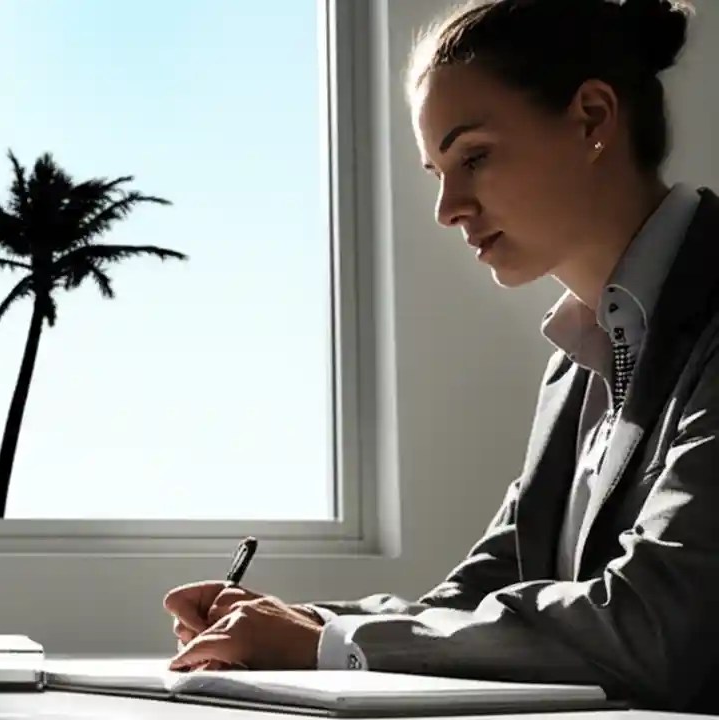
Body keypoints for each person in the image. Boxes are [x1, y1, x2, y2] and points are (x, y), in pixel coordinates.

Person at [162, 0, 719, 713]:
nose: (447, 207)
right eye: (436, 171)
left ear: (592, 118)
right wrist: (302, 624)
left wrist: (324, 647)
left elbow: (658, 627)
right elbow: (481, 593)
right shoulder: (579, 357)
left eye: (474, 157)